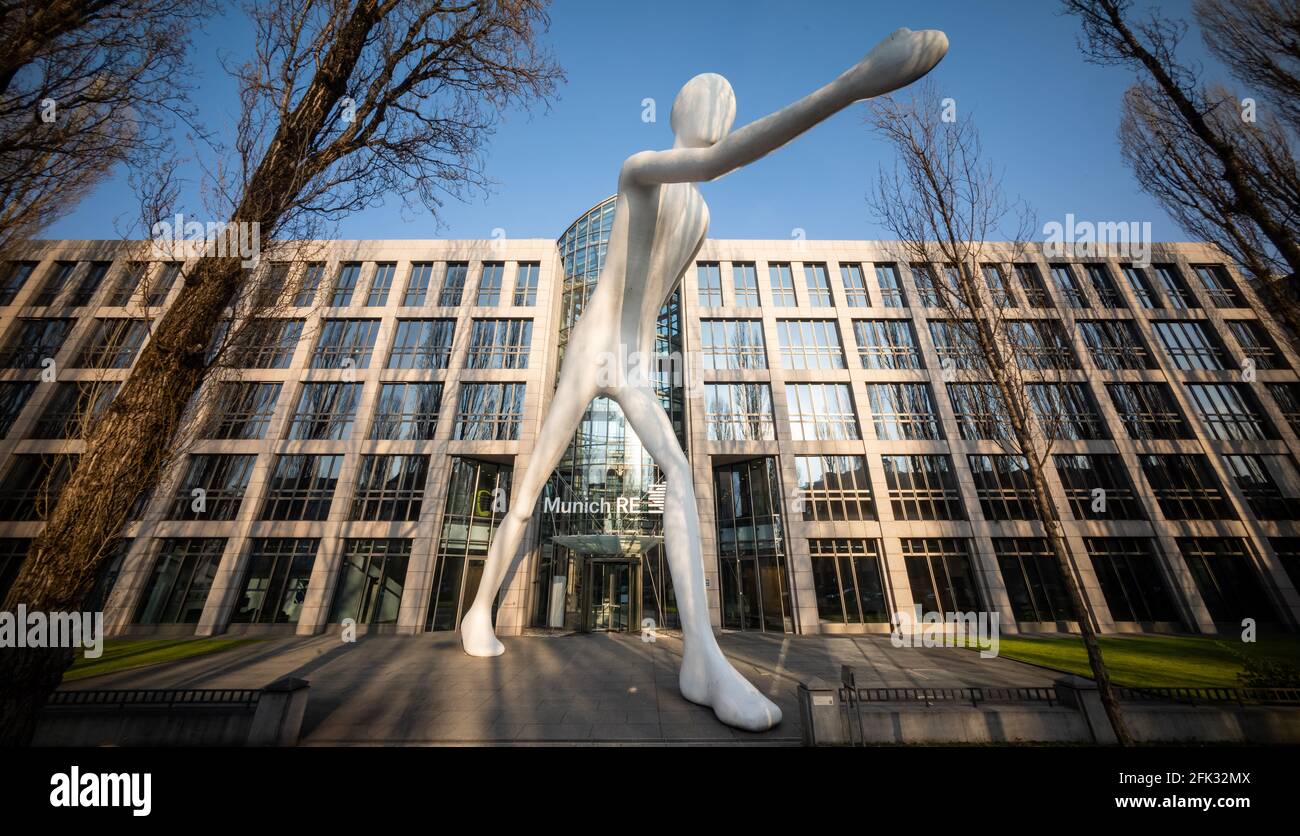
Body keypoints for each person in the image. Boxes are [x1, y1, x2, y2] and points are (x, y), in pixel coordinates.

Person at [461, 27, 949, 731]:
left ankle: (702, 656)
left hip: (629, 361)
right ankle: (479, 611)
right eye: (709, 102)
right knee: (530, 488)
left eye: (726, 102)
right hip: (590, 350)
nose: (718, 112)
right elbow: (720, 161)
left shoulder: (701, 214)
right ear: (681, 116)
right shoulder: (640, 168)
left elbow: (667, 274)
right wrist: (853, 83)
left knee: (683, 482)